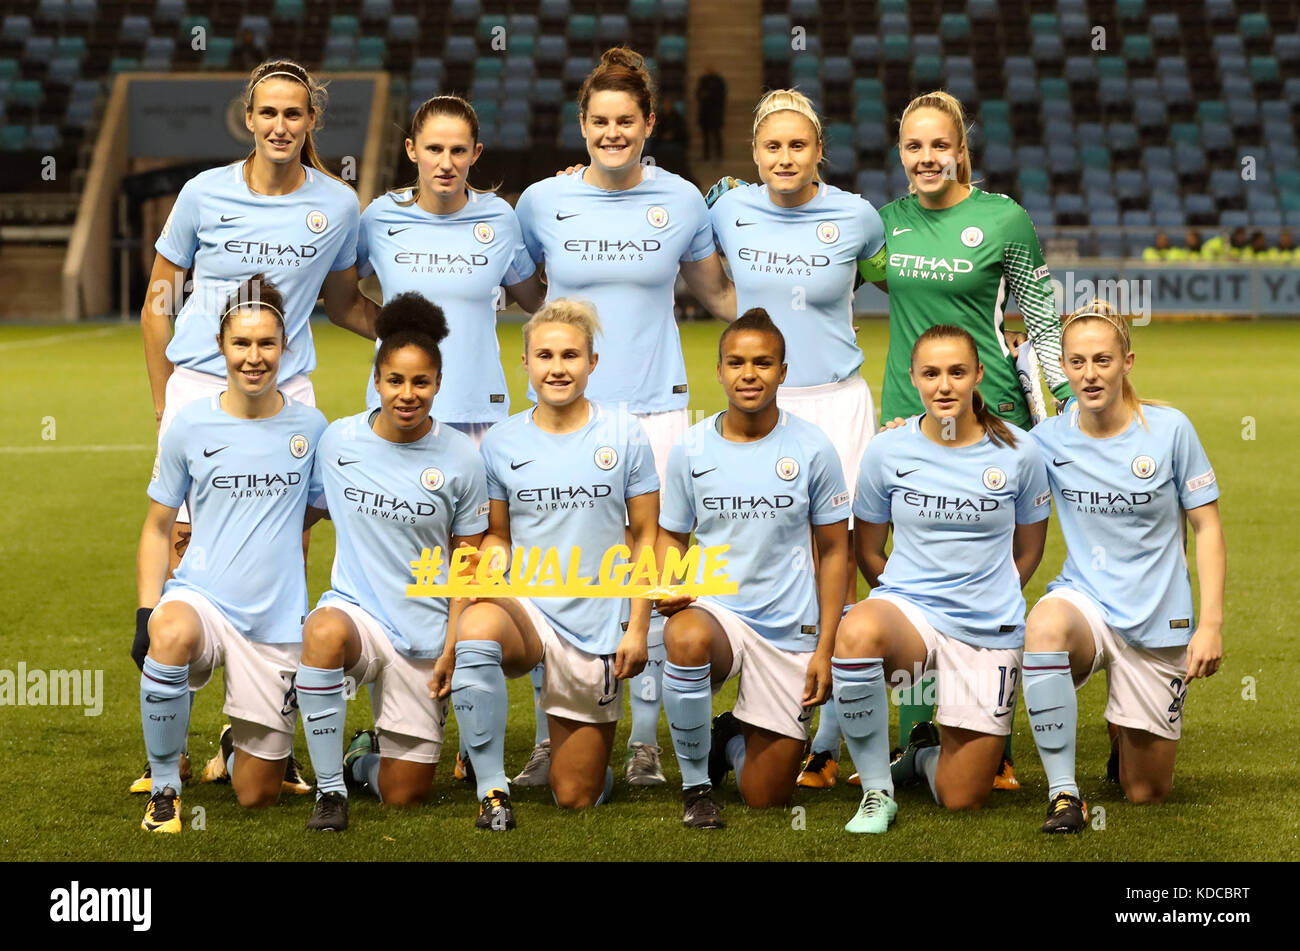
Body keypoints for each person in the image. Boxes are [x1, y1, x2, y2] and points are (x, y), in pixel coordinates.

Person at [135, 57, 370, 795]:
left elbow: (343, 301)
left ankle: (253, 727)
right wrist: (165, 400)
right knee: (184, 544)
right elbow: (158, 303)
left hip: (282, 385)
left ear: (311, 122)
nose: (279, 125)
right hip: (201, 384)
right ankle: (165, 742)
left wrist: (413, 333)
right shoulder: (204, 192)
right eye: (267, 113)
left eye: (293, 114)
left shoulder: (337, 204)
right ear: (248, 117)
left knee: (285, 547)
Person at [515, 46, 736, 787]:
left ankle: (645, 740)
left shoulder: (682, 201)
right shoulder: (541, 202)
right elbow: (526, 294)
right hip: (566, 412)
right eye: (600, 121)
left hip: (658, 412)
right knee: (560, 572)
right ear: (582, 124)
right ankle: (555, 734)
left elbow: (718, 296)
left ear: (649, 123)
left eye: (627, 121)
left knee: (655, 576)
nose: (613, 133)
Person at [854, 90, 1071, 787]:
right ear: (900, 153)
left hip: (993, 411)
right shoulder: (885, 226)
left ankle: (983, 712)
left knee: (995, 552)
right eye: (912, 146)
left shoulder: (1003, 218)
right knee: (910, 558)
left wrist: (1064, 397)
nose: (925, 157)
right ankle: (921, 726)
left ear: (959, 150)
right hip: (903, 409)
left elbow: (1039, 312)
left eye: (937, 145)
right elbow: (816, 253)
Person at [708, 88, 887, 789]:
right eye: (772, 146)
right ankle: (766, 708)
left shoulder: (857, 217)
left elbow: (898, 283)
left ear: (820, 151)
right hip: (763, 406)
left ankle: (832, 739)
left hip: (838, 404)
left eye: (799, 145)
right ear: (755, 154)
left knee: (838, 559)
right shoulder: (727, 207)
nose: (786, 157)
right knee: (769, 552)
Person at [830, 324, 1050, 833]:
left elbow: (1029, 550)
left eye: (956, 372)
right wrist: (904, 595)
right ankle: (876, 793)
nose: (944, 385)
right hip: (912, 610)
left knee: (962, 798)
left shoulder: (1020, 451)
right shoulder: (887, 450)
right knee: (858, 631)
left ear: (977, 374)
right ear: (913, 378)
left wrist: (986, 594)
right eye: (931, 373)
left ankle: (923, 754)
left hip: (986, 623)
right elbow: (867, 550)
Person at [450, 300, 660, 830]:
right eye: (544, 355)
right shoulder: (500, 441)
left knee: (576, 795)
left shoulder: (625, 433)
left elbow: (645, 538)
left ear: (592, 362)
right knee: (478, 627)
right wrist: (487, 577)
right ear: (525, 363)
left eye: (570, 355)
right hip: (530, 609)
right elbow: (497, 534)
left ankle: (582, 765)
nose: (557, 367)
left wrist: (638, 626)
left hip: (596, 618)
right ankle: (492, 790)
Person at [1023, 301, 1224, 833]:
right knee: (1043, 630)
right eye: (1078, 362)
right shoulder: (1047, 439)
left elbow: (1207, 528)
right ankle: (1064, 795)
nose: (1090, 374)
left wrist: (1211, 625)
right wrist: (915, 427)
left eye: (1103, 361)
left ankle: (1124, 727)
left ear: (1127, 362)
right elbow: (978, 447)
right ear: (1063, 367)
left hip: (1159, 619)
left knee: (1145, 793)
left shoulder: (1170, 429)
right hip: (1086, 602)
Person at [136, 277, 328, 833]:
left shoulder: (311, 428)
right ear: (221, 346)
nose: (254, 357)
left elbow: (320, 508)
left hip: (274, 619)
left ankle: (236, 740)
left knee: (257, 796)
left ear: (285, 346)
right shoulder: (189, 425)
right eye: (241, 343)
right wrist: (147, 613)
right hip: (203, 601)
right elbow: (156, 527)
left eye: (266, 344)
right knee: (169, 632)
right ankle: (166, 786)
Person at [293, 293, 489, 831]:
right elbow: (300, 518)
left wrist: (453, 645)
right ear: (377, 381)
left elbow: (468, 562)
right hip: (357, 615)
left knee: (406, 793)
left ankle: (359, 759)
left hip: (422, 632)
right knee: (323, 631)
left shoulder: (462, 458)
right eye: (396, 381)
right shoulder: (337, 442)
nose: (408, 395)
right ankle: (330, 792)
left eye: (420, 382)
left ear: (438, 384)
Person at [656, 310, 849, 829]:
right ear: (718, 370)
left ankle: (728, 738)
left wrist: (825, 648)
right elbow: (671, 535)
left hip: (789, 627)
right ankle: (696, 786)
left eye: (763, 362)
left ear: (783, 372)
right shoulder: (691, 448)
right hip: (718, 610)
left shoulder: (813, 447)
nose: (749, 373)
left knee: (767, 796)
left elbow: (835, 552)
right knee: (686, 637)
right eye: (737, 362)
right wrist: (671, 587)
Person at [696, 65, 727, 161]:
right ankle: (706, 156)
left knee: (716, 134)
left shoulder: (719, 81)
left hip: (715, 113)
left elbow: (721, 96)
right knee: (705, 136)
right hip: (705, 112)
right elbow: (697, 94)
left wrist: (709, 95)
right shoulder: (703, 80)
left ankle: (719, 155)